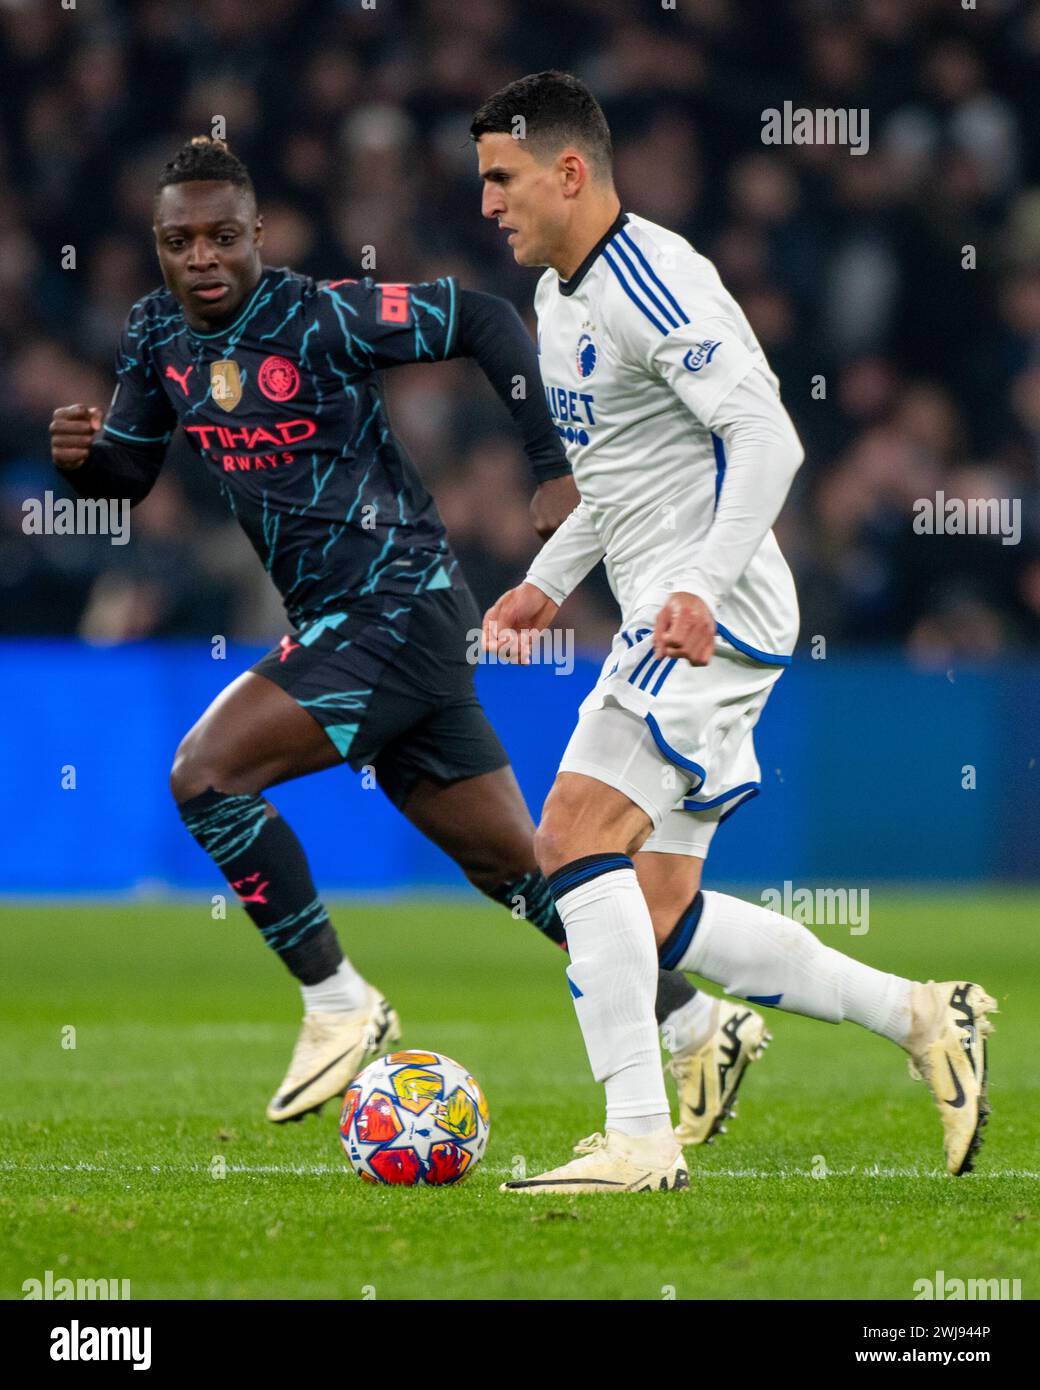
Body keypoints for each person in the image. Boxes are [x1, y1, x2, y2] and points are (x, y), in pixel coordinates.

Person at [49, 136, 738, 1132]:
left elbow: (484, 317)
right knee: (524, 873)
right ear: (157, 247)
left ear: (258, 235)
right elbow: (130, 468)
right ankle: (690, 1023)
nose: (200, 256)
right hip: (367, 625)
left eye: (221, 237)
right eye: (177, 240)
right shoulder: (160, 332)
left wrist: (552, 463)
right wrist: (87, 465)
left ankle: (336, 1001)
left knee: (205, 776)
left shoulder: (318, 314)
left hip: (393, 607)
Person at [473, 71, 995, 1194]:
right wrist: (545, 580)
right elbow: (613, 482)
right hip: (677, 605)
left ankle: (637, 1137)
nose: (487, 204)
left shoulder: (652, 282)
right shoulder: (558, 299)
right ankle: (919, 1014)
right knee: (651, 911)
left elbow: (767, 440)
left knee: (567, 841)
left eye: (501, 178)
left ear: (569, 172)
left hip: (709, 610)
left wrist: (700, 585)